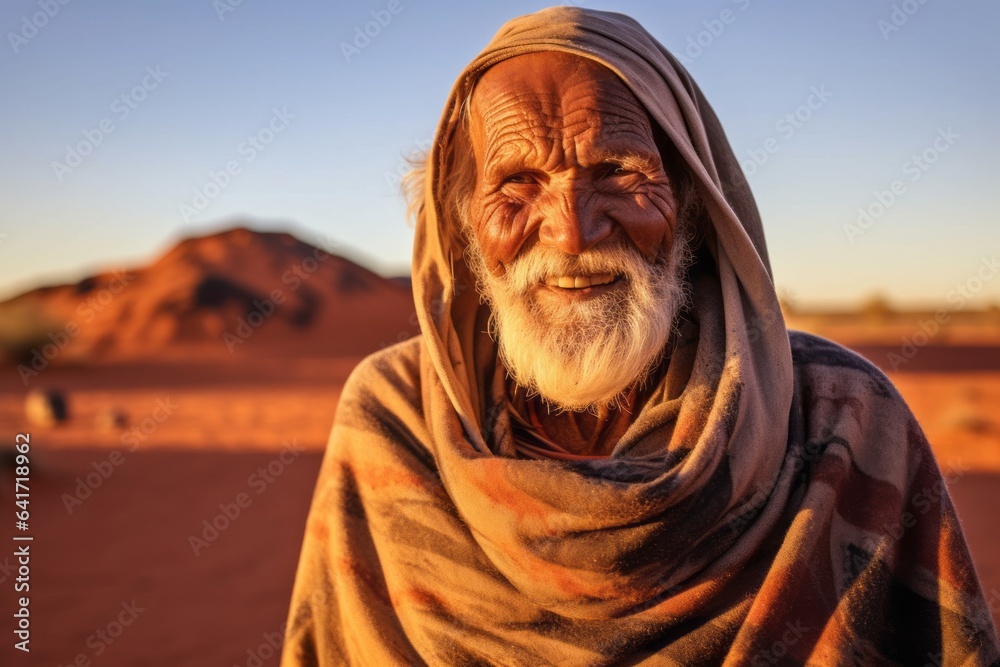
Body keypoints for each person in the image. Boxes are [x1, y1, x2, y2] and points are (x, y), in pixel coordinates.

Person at [281, 7, 999, 665]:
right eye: (517, 186)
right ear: (461, 224)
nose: (571, 232)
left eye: (619, 174)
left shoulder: (845, 420)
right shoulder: (393, 422)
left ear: (692, 200)